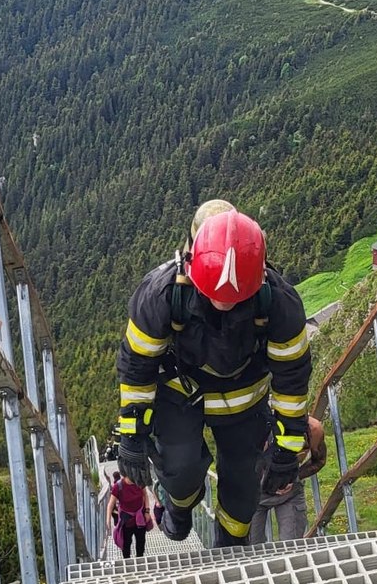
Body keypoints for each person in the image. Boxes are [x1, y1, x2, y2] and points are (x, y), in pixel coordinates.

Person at [116, 205, 312, 547]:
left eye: (236, 299)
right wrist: (131, 435)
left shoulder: (279, 304)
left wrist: (286, 450)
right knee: (181, 471)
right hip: (181, 396)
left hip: (245, 404)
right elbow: (137, 366)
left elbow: (292, 380)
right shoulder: (162, 295)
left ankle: (229, 551)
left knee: (242, 493)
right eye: (214, 296)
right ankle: (178, 509)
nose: (224, 304)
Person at [250, 415, 326, 544]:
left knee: (292, 549)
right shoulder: (252, 425)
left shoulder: (312, 429)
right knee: (251, 551)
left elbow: (319, 460)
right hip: (253, 494)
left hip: (290, 494)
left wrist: (293, 477)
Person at [106, 474, 152, 558]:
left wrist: (147, 511)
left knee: (141, 542)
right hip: (126, 520)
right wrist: (108, 520)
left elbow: (145, 495)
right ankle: (127, 562)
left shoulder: (139, 482)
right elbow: (111, 504)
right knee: (126, 544)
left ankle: (140, 559)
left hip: (140, 517)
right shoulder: (118, 486)